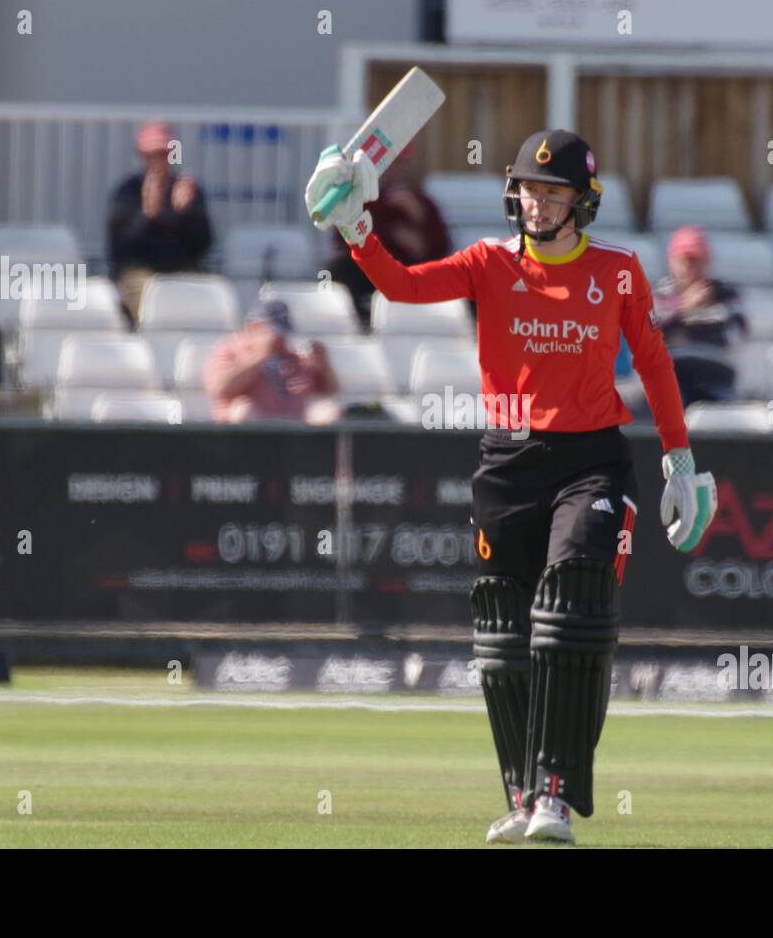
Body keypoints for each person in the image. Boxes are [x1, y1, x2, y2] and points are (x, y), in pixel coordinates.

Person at [305, 129, 718, 845]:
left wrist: (679, 460)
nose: (537, 203)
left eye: (553, 192)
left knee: (570, 611)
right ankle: (523, 794)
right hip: (506, 463)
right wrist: (356, 228)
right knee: (503, 634)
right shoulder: (488, 264)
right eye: (529, 189)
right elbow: (403, 285)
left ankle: (556, 796)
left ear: (580, 203)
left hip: (590, 460)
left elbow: (653, 362)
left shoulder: (618, 270)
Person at [322, 143, 452, 327]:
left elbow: (441, 249)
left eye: (400, 163)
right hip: (369, 271)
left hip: (408, 272)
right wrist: (382, 241)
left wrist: (420, 222)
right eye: (388, 163)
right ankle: (359, 322)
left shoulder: (422, 202)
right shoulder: (359, 200)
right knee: (339, 266)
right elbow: (342, 240)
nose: (394, 170)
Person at [106, 120, 214, 327]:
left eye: (163, 154)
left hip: (182, 269)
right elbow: (119, 248)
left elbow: (203, 244)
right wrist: (147, 215)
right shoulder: (127, 192)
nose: (158, 161)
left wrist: (185, 214)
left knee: (205, 300)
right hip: (139, 271)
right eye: (152, 155)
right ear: (142, 156)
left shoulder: (187, 191)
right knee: (151, 302)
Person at [652, 226, 749, 405]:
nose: (689, 267)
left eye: (695, 260)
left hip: (714, 376)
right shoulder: (660, 293)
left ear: (707, 261)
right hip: (671, 375)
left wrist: (683, 329)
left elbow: (737, 334)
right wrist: (684, 308)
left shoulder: (726, 294)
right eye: (683, 260)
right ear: (671, 262)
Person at [201, 300, 339, 423]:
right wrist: (260, 357)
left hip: (293, 426)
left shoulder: (293, 357)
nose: (280, 339)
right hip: (245, 433)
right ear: (253, 329)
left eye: (283, 333)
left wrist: (324, 363)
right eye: (273, 333)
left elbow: (330, 391)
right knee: (244, 410)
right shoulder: (230, 350)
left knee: (327, 411)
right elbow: (219, 388)